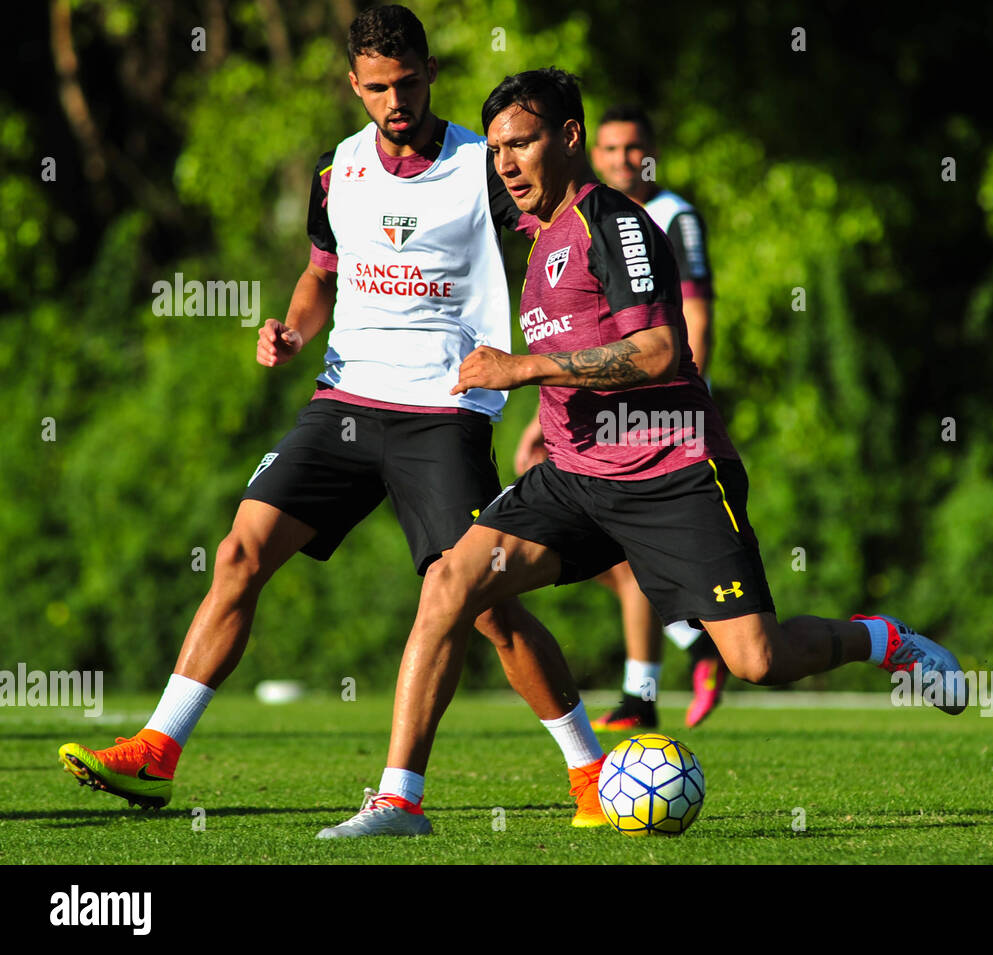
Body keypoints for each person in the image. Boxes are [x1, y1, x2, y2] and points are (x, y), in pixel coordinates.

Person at [319, 66, 966, 838]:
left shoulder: (616, 225)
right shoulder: (528, 222)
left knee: (755, 658)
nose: (506, 164)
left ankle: (885, 639)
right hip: (574, 478)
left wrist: (526, 368)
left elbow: (661, 350)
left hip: (673, 474)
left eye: (521, 143)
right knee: (451, 580)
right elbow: (427, 170)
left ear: (569, 138)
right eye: (496, 150)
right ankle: (400, 801)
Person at [58, 6, 608, 835]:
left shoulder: (481, 166)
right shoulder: (336, 171)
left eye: (409, 82)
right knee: (241, 549)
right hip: (345, 402)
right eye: (377, 87)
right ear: (354, 85)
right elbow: (322, 275)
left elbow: (565, 233)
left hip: (444, 409)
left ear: (430, 73)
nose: (395, 101)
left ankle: (591, 772)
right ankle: (158, 749)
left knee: (484, 603)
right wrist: (289, 328)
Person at [514, 105, 729, 732]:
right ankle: (681, 655)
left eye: (633, 149)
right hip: (590, 414)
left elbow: (694, 320)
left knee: (643, 561)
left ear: (651, 152)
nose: (621, 161)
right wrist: (540, 418)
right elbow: (568, 329)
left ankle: (662, 675)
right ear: (590, 151)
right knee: (611, 558)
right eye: (609, 150)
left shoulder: (672, 217)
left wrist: (681, 399)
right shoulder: (571, 219)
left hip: (662, 423)